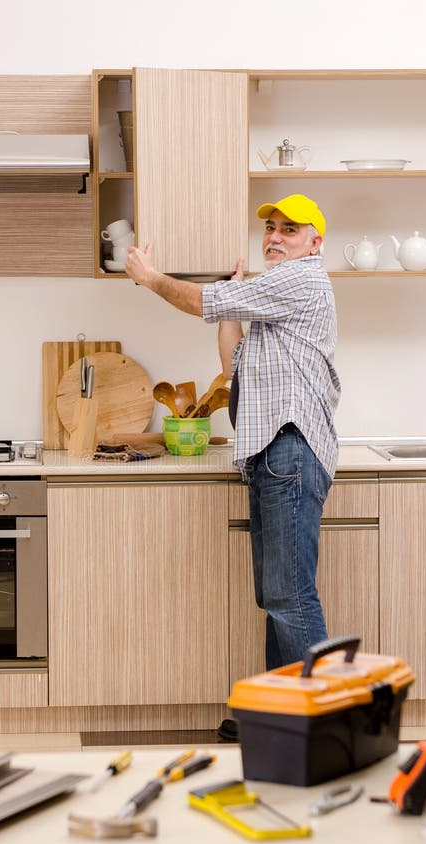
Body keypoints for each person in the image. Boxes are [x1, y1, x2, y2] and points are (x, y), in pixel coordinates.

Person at [125, 193, 341, 732]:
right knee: (276, 596)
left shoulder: (304, 279)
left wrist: (152, 278)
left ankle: (326, 725)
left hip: (290, 450)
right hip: (272, 454)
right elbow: (233, 363)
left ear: (315, 243)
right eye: (270, 227)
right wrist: (236, 299)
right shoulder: (273, 307)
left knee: (291, 596)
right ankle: (275, 716)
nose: (275, 236)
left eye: (290, 229)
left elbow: (205, 303)